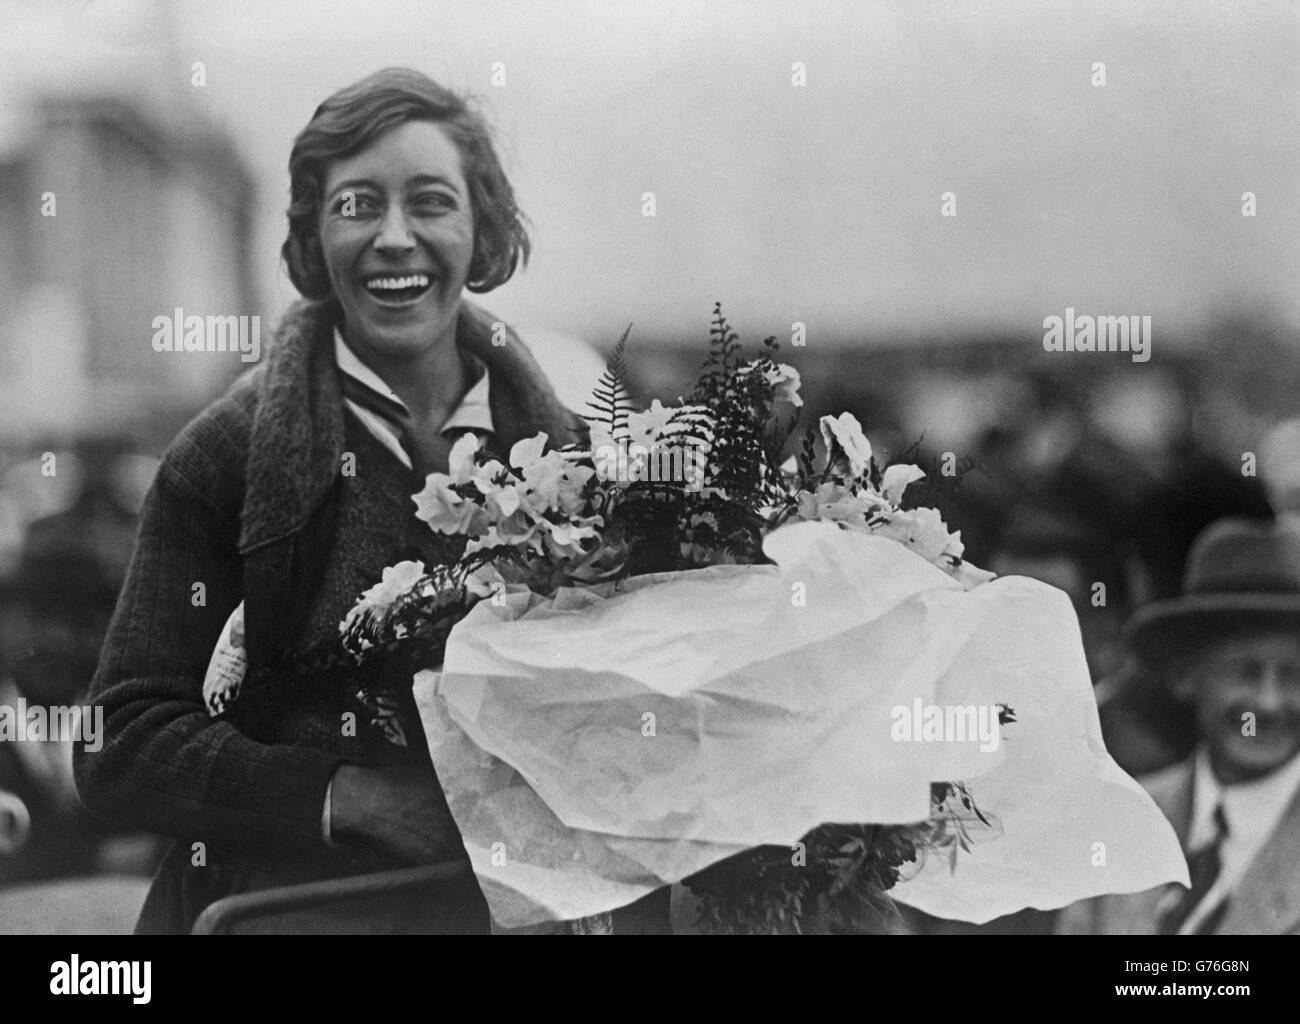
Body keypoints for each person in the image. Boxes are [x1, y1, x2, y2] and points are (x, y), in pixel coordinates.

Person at [74, 68, 619, 933]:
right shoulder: (227, 453)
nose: (394, 237)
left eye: (431, 202)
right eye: (358, 205)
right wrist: (349, 796)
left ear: (480, 232)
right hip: (298, 901)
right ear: (312, 239)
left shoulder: (573, 457)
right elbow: (121, 744)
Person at [1057, 517, 1300, 934]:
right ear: (1184, 675)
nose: (1268, 702)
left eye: (1294, 676)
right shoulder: (1118, 821)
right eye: (1244, 672)